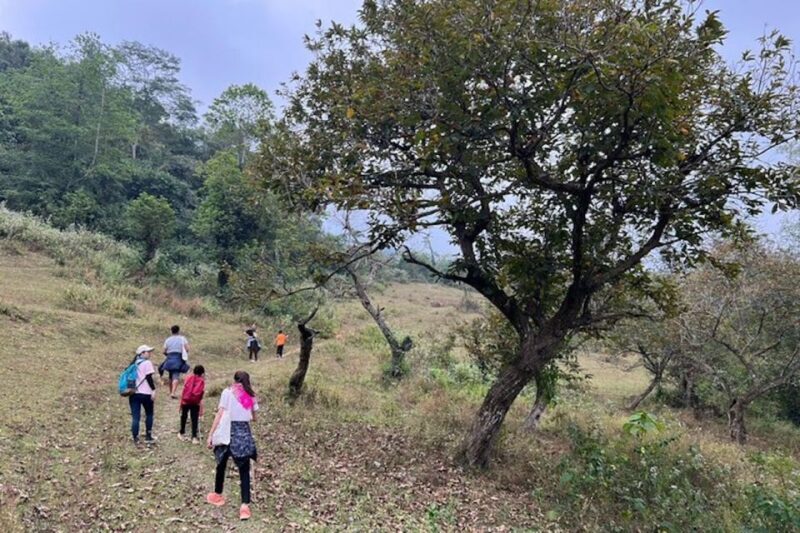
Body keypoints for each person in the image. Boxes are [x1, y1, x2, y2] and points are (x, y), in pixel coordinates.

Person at [206, 371, 258, 521]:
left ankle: (217, 495)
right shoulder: (250, 396)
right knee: (244, 470)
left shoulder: (227, 392)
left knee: (221, 464)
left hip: (227, 432)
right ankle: (244, 507)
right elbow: (254, 418)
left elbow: (220, 414)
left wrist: (211, 434)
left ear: (234, 380)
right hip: (243, 433)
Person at [129, 345, 157, 444]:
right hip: (146, 393)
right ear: (142, 353)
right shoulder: (147, 363)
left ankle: (135, 437)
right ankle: (148, 436)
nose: (149, 353)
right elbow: (149, 378)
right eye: (147, 352)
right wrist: (153, 390)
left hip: (134, 393)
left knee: (136, 416)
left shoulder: (133, 364)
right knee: (149, 414)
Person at [161, 325, 190, 399]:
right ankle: (173, 393)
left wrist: (168, 355)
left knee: (170, 376)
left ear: (171, 331)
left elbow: (163, 351)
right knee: (176, 375)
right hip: (178, 357)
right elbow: (187, 349)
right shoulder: (182, 339)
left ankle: (171, 392)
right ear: (178, 331)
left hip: (170, 358)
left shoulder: (168, 340)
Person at [179, 365, 205, 444]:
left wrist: (181, 402)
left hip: (185, 400)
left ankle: (182, 432)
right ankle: (194, 436)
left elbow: (184, 389)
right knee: (194, 418)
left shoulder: (188, 378)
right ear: (202, 373)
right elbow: (200, 393)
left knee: (184, 415)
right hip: (195, 402)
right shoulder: (201, 381)